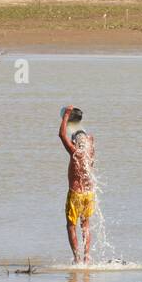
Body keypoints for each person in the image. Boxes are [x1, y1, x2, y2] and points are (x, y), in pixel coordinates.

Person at [59, 106, 96, 264]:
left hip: (76, 194)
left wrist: (66, 115)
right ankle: (87, 257)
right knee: (85, 225)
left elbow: (62, 135)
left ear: (74, 142)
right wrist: (88, 138)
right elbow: (91, 138)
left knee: (71, 225)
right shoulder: (90, 153)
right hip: (89, 194)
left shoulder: (75, 152)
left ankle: (77, 258)